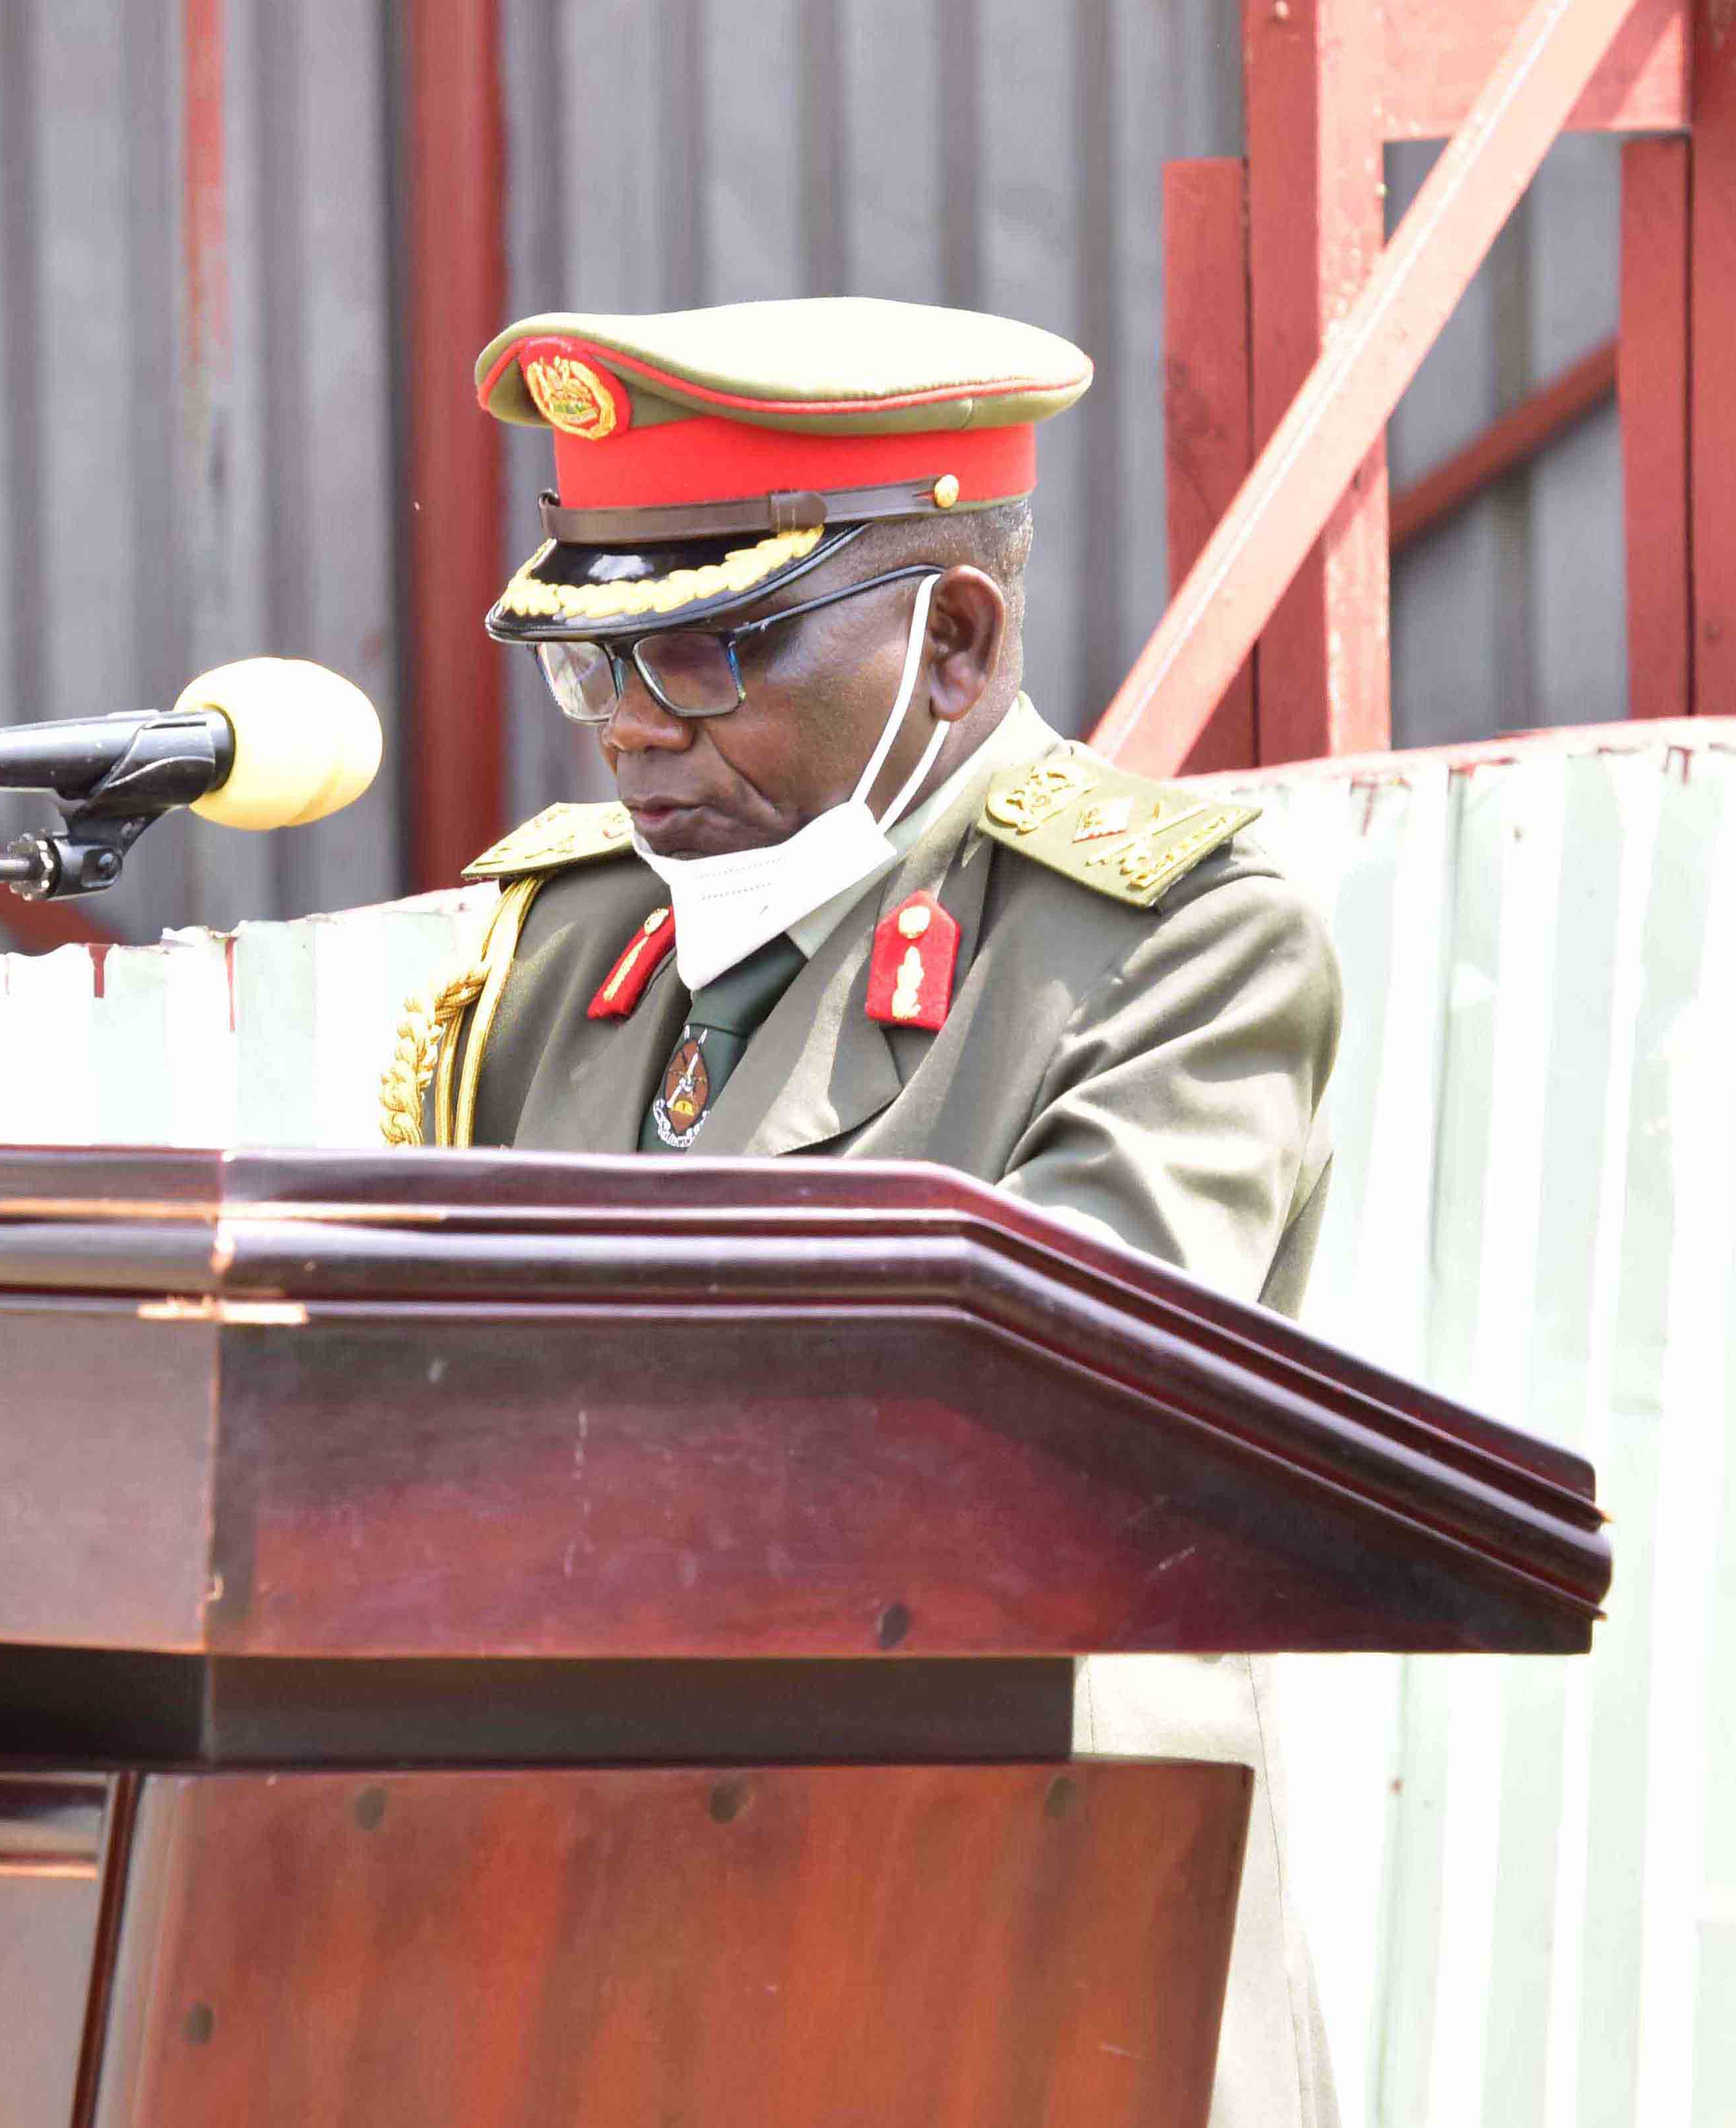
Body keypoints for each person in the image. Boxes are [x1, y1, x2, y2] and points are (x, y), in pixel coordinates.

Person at [394, 297, 1342, 2127]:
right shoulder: (565, 938)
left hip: (1014, 1926)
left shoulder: (1166, 941)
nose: (627, 735)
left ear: (952, 644)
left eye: (704, 657)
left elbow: (1038, 1443)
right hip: (611, 1937)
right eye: (587, 667)